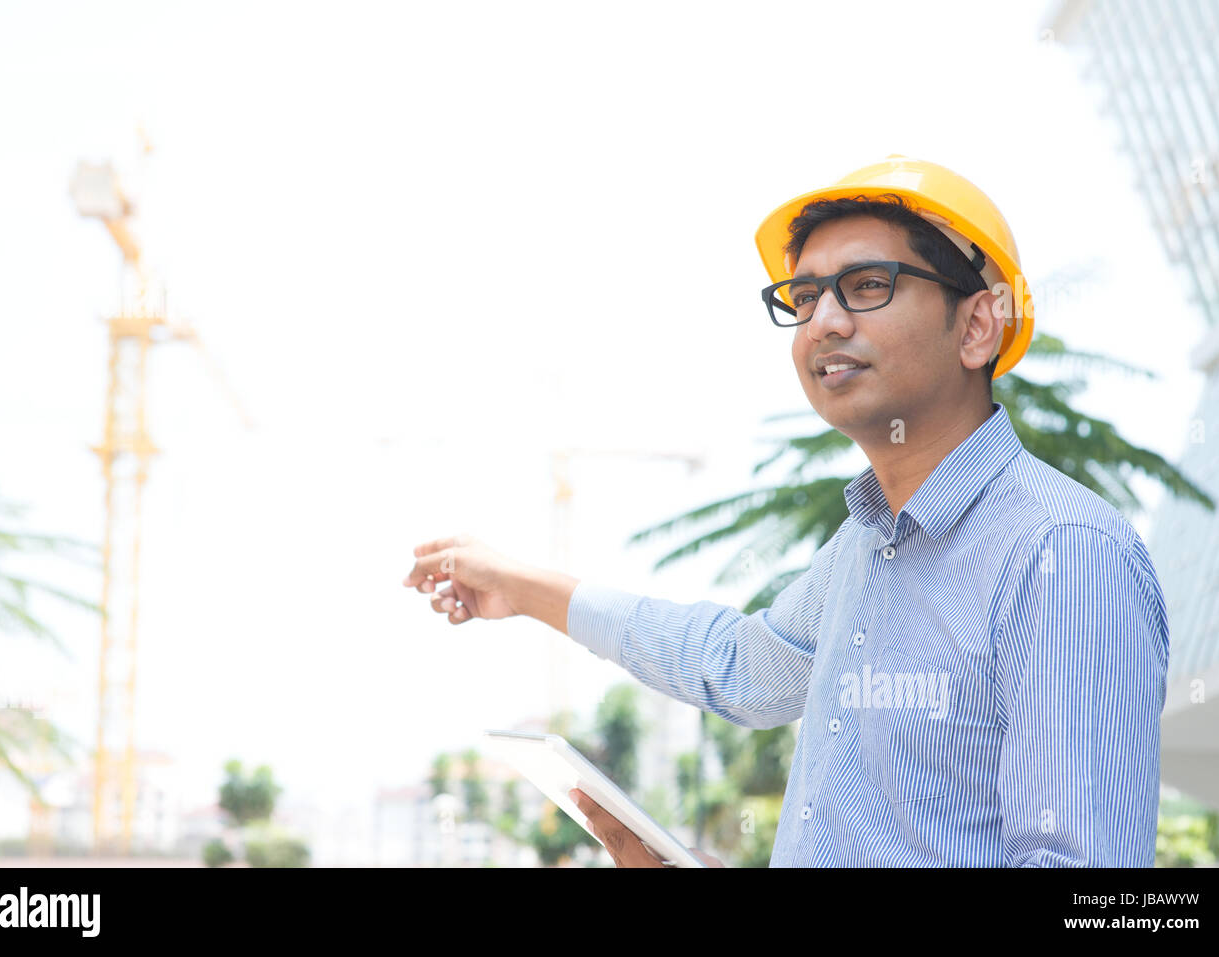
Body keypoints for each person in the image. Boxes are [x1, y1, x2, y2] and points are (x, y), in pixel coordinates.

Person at [400, 156, 1169, 867]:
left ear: (976, 326)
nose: (824, 322)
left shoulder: (1063, 553)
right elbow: (738, 664)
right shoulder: (864, 546)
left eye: (869, 285)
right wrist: (519, 587)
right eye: (804, 298)